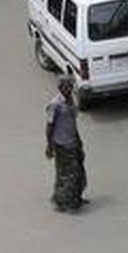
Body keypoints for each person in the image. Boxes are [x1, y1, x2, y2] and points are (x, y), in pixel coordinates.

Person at [46, 76, 87, 212]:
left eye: (71, 86)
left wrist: (78, 139)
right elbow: (49, 126)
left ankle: (76, 198)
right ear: (60, 88)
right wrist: (49, 146)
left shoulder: (71, 101)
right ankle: (63, 203)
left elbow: (72, 122)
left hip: (73, 141)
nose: (69, 89)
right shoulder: (55, 104)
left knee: (79, 171)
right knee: (67, 174)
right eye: (66, 87)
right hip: (62, 144)